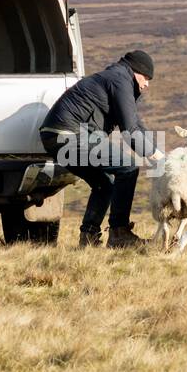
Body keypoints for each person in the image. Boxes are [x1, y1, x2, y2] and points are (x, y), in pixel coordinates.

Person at [39, 50, 163, 247]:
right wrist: (156, 157)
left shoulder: (117, 79)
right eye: (146, 77)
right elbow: (130, 131)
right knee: (128, 168)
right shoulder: (120, 80)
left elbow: (136, 124)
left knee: (105, 183)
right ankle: (119, 233)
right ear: (136, 71)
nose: (147, 84)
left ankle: (88, 237)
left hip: (54, 136)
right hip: (70, 135)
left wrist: (157, 152)